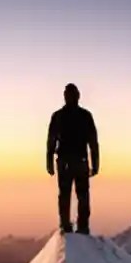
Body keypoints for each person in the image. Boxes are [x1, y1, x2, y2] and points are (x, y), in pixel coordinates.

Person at [46, 83, 99, 234]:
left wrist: (49, 162)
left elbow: (51, 140)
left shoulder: (58, 116)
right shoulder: (85, 116)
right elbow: (93, 142)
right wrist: (95, 164)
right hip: (80, 161)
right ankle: (82, 226)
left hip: (64, 162)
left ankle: (65, 224)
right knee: (82, 194)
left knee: (65, 194)